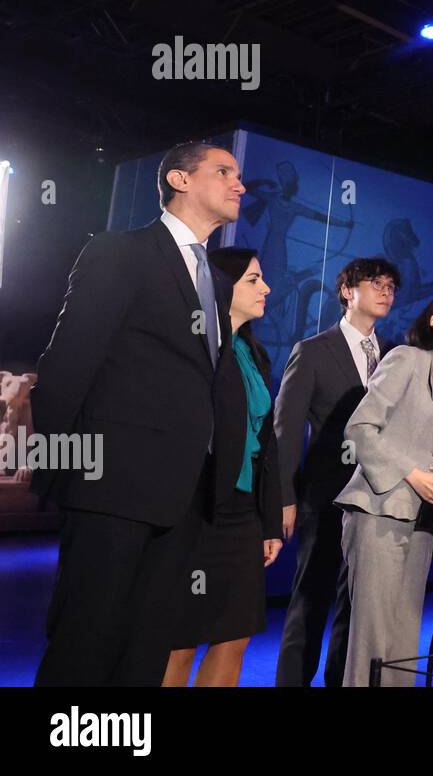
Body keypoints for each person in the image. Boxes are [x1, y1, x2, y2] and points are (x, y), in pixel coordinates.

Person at [31, 141, 246, 685]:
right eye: (224, 171)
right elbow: (66, 366)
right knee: (85, 642)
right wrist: (61, 473)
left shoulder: (217, 284)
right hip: (110, 490)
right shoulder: (119, 252)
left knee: (145, 651)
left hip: (184, 501)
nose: (239, 184)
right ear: (179, 179)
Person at [334, 288, 433, 687]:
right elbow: (360, 429)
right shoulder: (405, 359)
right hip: (378, 511)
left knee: (403, 640)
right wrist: (414, 475)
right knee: (372, 640)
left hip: (421, 520)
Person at [274, 257, 402, 688]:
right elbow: (286, 430)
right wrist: (284, 498)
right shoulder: (311, 350)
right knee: (310, 600)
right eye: (375, 283)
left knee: (356, 605)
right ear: (348, 291)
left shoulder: (394, 357)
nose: (386, 291)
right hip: (324, 497)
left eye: (391, 286)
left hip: (377, 498)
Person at [164, 249, 283, 686]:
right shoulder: (195, 346)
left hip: (242, 514)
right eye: (253, 280)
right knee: (179, 638)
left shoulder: (256, 355)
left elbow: (267, 447)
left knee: (234, 637)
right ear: (219, 286)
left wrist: (269, 522)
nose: (265, 288)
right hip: (194, 512)